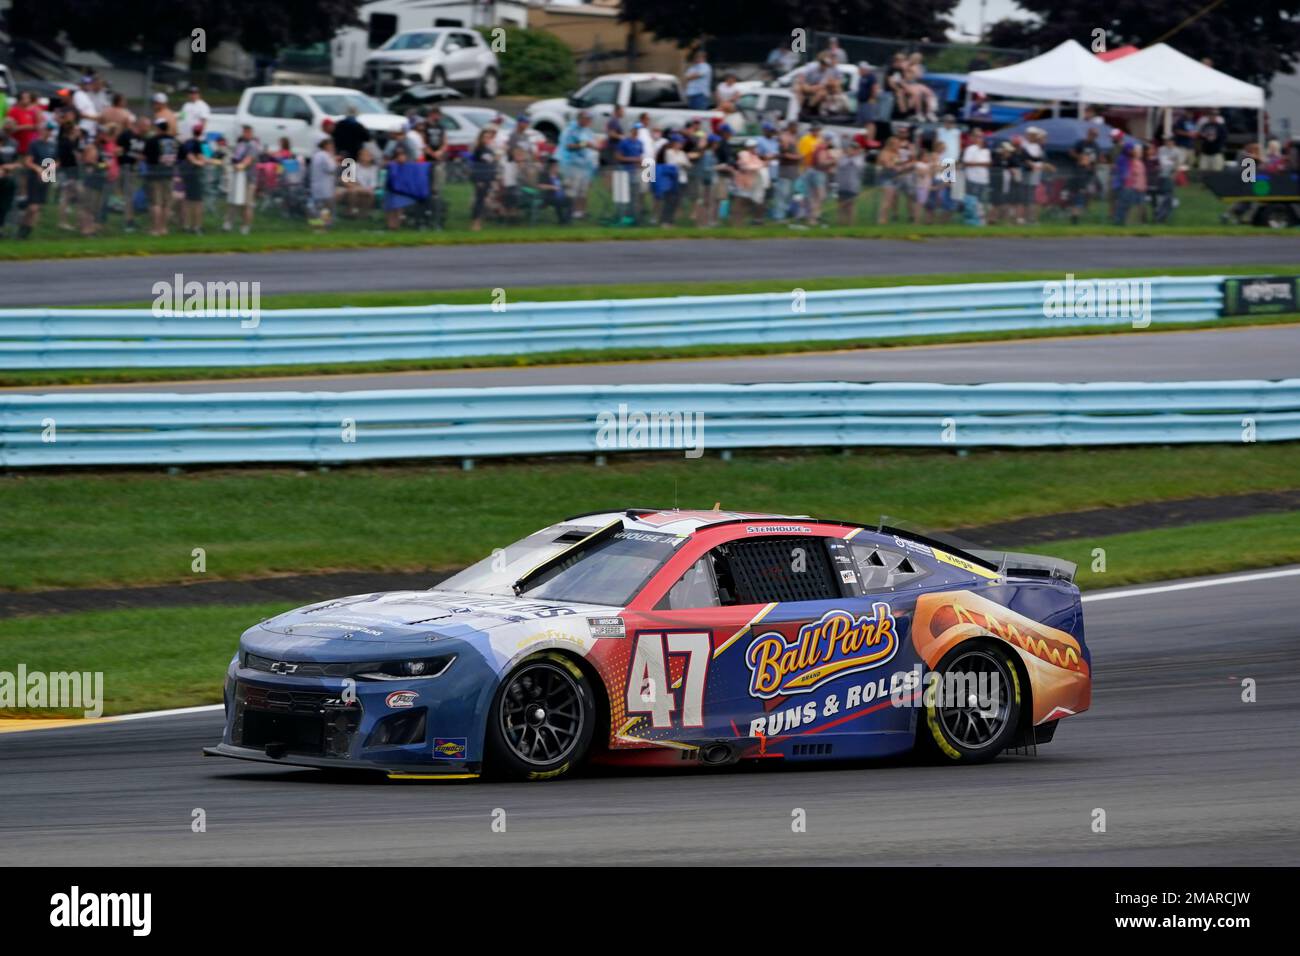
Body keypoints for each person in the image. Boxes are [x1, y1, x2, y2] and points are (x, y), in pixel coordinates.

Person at [18, 120, 59, 238]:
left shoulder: (53, 145)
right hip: (34, 177)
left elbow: (57, 161)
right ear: (42, 130)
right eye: (47, 129)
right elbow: (28, 161)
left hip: (47, 177)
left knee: (38, 207)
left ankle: (27, 233)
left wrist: (51, 168)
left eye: (51, 130)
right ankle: (22, 230)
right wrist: (38, 169)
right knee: (33, 207)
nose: (49, 132)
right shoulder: (35, 144)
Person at [557, 110, 599, 220]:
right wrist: (585, 144)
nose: (588, 121)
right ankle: (569, 213)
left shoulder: (588, 131)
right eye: (586, 118)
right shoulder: (571, 130)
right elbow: (568, 146)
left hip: (586, 165)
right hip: (573, 164)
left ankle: (580, 213)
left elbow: (593, 145)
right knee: (572, 191)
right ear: (580, 118)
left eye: (589, 119)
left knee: (583, 191)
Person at [224, 124, 260, 233]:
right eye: (244, 131)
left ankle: (246, 226)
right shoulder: (240, 144)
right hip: (238, 178)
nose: (245, 134)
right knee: (233, 202)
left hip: (249, 179)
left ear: (251, 133)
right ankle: (228, 223)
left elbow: (247, 160)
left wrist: (240, 166)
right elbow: (234, 158)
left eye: (248, 132)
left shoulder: (253, 146)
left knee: (247, 204)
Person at [177, 123, 207, 233]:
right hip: (194, 174)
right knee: (198, 202)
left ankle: (186, 225)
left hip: (185, 174)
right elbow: (195, 158)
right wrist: (202, 162)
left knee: (187, 201)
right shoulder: (197, 143)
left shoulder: (187, 142)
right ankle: (197, 226)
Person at [468, 127, 498, 231]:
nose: (487, 139)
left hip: (488, 178)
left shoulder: (490, 150)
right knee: (479, 201)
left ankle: (480, 221)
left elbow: (492, 164)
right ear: (481, 137)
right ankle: (475, 223)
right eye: (485, 136)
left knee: (484, 201)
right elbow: (474, 165)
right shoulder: (478, 149)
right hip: (480, 178)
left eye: (489, 137)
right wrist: (477, 180)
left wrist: (493, 177)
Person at [960, 128, 991, 223]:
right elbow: (966, 163)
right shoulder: (970, 149)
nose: (980, 138)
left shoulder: (986, 150)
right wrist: (981, 164)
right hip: (973, 179)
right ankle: (971, 219)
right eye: (977, 136)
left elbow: (988, 163)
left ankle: (980, 219)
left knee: (981, 201)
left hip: (984, 179)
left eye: (981, 136)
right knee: (972, 200)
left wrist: (977, 163)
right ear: (972, 138)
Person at [309, 137, 338, 227]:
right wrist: (334, 160)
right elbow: (331, 168)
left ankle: (317, 226)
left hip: (317, 186)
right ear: (327, 146)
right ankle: (324, 226)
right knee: (326, 208)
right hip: (325, 187)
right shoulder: (325, 156)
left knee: (318, 207)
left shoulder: (316, 155)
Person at [835, 138, 865, 225]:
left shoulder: (859, 159)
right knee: (840, 206)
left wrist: (853, 156)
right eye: (851, 148)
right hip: (842, 185)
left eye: (855, 149)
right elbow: (841, 164)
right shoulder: (843, 158)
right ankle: (840, 223)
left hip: (853, 186)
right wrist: (848, 156)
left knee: (851, 206)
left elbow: (858, 166)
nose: (852, 150)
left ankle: (850, 224)